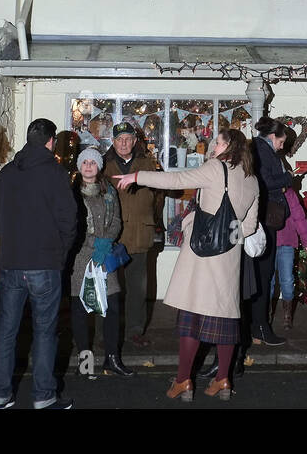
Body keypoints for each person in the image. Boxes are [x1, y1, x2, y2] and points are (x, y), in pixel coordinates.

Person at [115, 128, 260, 402]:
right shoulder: (252, 180)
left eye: (218, 142)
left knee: (192, 321)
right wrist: (227, 236)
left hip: (202, 258)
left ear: (228, 146)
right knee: (225, 321)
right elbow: (250, 226)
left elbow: (177, 178)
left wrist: (136, 176)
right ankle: (223, 380)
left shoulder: (216, 167)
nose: (214, 146)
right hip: (228, 259)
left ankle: (183, 381)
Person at [0, 118, 78, 410]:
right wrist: (59, 255)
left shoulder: (6, 174)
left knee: (6, 330)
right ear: (51, 141)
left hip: (11, 263)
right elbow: (69, 221)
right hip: (44, 264)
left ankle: (0, 393)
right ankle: (43, 396)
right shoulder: (55, 173)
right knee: (44, 332)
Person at [69, 147, 134, 378]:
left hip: (104, 258)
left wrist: (106, 242)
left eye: (93, 163)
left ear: (99, 166)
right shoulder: (71, 191)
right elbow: (71, 226)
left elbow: (116, 220)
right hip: (79, 259)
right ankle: (85, 363)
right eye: (84, 162)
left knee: (113, 307)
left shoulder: (108, 191)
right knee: (80, 310)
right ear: (79, 166)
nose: (88, 166)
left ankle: (112, 359)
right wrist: (94, 242)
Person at [102, 121, 163, 348]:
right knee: (109, 287)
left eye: (128, 138)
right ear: (113, 142)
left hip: (139, 233)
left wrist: (155, 222)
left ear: (135, 141)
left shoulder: (148, 164)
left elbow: (160, 196)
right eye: (119, 139)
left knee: (138, 288)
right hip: (112, 237)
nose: (124, 143)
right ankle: (106, 331)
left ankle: (135, 330)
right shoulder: (104, 166)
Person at [249, 116, 295, 346]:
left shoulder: (261, 150)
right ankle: (260, 326)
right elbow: (266, 181)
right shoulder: (262, 151)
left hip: (266, 217)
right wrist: (288, 177)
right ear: (272, 137)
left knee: (261, 274)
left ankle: (258, 326)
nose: (282, 146)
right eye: (281, 142)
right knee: (263, 274)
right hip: (266, 218)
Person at [272, 139, 307, 333]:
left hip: (287, 243)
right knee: (270, 282)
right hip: (269, 244)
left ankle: (287, 315)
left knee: (287, 280)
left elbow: (299, 218)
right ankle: (267, 315)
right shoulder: (266, 194)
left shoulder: (290, 195)